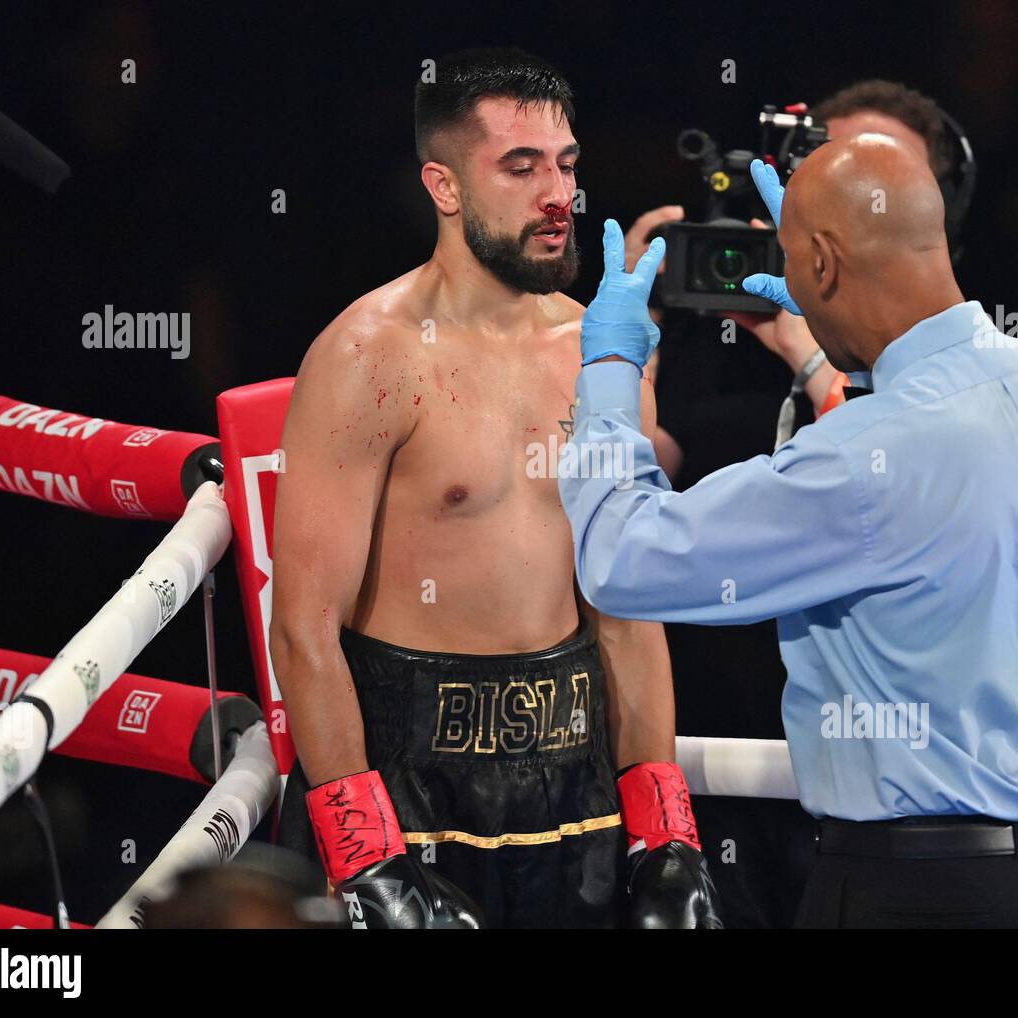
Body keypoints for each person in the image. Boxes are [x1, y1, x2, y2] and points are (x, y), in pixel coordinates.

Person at [561, 133, 1018, 928]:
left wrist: (611, 374)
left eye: (796, 261)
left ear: (823, 265)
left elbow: (621, 559)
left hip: (919, 897)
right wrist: (823, 333)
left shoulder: (866, 455)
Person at [268, 47, 720, 929]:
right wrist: (367, 858)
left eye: (566, 163)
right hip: (409, 784)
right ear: (444, 185)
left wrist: (668, 835)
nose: (558, 194)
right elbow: (303, 626)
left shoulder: (600, 350)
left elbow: (625, 606)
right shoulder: (370, 356)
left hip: (575, 783)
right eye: (520, 166)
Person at [627, 80, 977, 927]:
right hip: (735, 758)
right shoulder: (728, 329)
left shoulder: (963, 381)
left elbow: (884, 465)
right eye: (817, 168)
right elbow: (645, 478)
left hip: (895, 805)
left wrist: (807, 352)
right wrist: (626, 338)